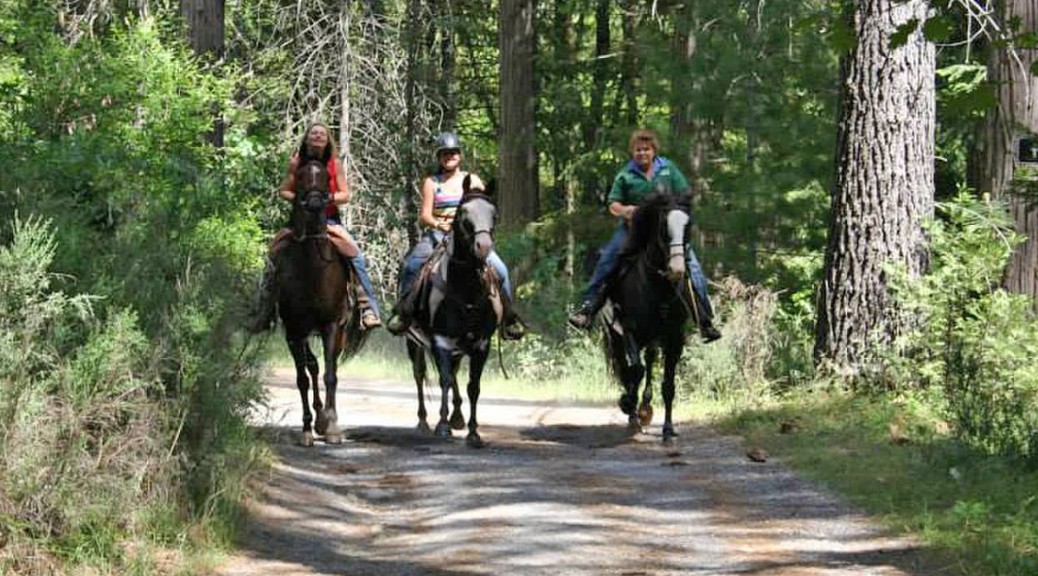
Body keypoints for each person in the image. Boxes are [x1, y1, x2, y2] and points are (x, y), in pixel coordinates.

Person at [567, 129, 721, 343]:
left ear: (653, 150)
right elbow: (613, 204)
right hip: (634, 230)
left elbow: (684, 194)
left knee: (692, 267)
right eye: (638, 150)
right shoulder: (625, 174)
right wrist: (626, 210)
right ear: (633, 152)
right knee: (608, 260)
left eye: (646, 149)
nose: (642, 154)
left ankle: (704, 319)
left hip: (665, 231)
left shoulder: (669, 169)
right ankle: (588, 308)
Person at [385, 132, 525, 340]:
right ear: (439, 157)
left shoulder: (473, 179)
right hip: (438, 234)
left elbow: (482, 206)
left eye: (453, 153)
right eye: (444, 154)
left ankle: (509, 319)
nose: (449, 156)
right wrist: (439, 223)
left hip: (468, 237)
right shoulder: (432, 182)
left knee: (501, 269)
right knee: (412, 265)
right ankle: (403, 313)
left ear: (460, 156)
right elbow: (425, 215)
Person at [248, 122, 382, 332]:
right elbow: (284, 190)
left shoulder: (334, 163)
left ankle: (368, 307)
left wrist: (326, 199)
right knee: (273, 253)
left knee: (356, 254)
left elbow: (346, 195)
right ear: (307, 138)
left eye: (322, 134)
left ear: (328, 139)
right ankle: (263, 307)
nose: (318, 137)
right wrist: (300, 198)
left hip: (327, 223)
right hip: (299, 223)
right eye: (314, 133)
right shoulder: (297, 162)